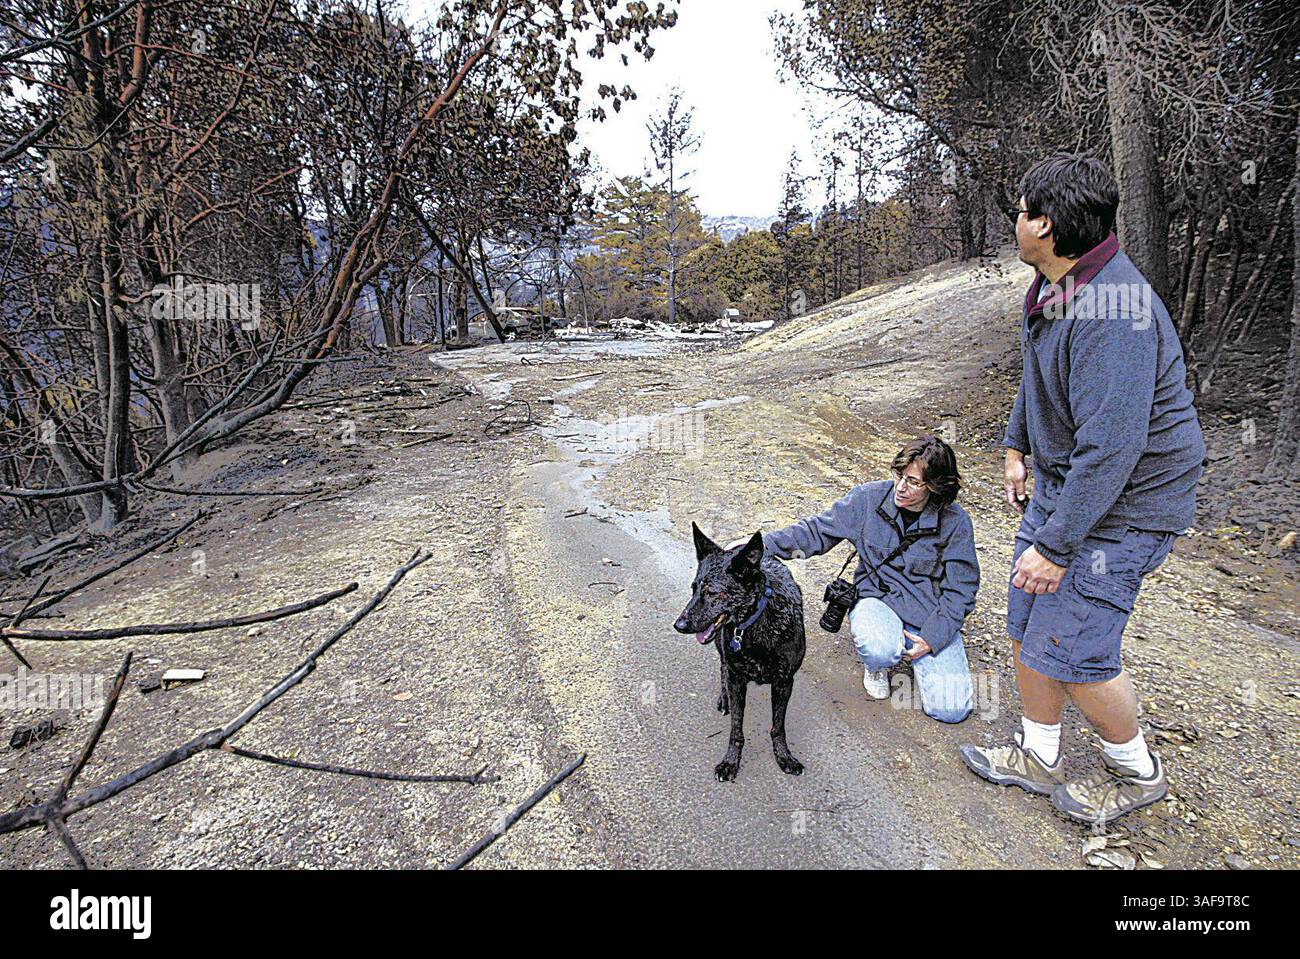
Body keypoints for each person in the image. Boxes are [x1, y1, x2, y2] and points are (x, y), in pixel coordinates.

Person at [959, 154, 1206, 825]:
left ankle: (1137, 771)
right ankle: (1039, 756)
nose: (1015, 219)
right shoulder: (1056, 282)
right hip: (1071, 486)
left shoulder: (1113, 312)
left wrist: (1059, 545)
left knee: (1077, 651)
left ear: (1044, 225)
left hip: (1126, 505)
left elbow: (1114, 448)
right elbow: (1039, 378)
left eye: (1021, 208)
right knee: (1026, 622)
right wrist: (1017, 444)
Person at [758, 435, 979, 724]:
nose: (900, 486)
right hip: (877, 600)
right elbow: (814, 532)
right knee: (879, 648)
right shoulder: (867, 499)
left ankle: (915, 649)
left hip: (927, 614)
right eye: (899, 474)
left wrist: (933, 637)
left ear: (936, 487)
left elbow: (962, 589)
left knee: (951, 710)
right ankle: (877, 664)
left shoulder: (955, 522)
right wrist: (759, 546)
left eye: (913, 482)